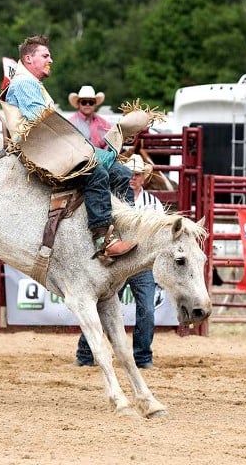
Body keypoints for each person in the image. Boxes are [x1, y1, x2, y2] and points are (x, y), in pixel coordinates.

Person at [3, 35, 136, 262]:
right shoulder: (24, 84)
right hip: (43, 152)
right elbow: (40, 121)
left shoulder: (32, 84)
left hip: (54, 147)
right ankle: (102, 239)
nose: (50, 60)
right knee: (97, 174)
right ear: (28, 59)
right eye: (45, 55)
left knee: (121, 173)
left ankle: (128, 226)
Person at [75, 154, 164, 368]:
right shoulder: (110, 197)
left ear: (144, 177)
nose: (133, 178)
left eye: (137, 174)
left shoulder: (153, 203)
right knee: (100, 307)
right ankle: (85, 354)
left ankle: (142, 357)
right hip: (117, 260)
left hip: (140, 262)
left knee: (147, 310)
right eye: (131, 174)